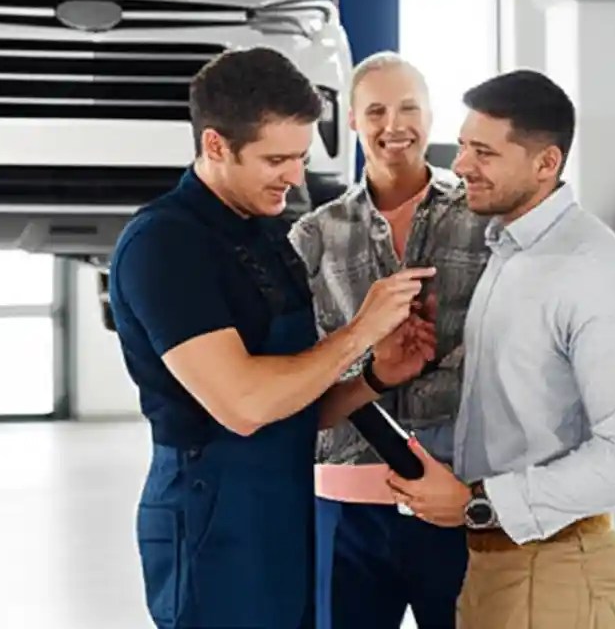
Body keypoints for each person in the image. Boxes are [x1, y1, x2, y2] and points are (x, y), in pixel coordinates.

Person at [106, 46, 437, 629]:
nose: (295, 175)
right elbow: (245, 404)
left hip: (285, 511)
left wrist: (377, 376)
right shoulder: (165, 245)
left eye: (302, 157)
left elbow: (297, 404)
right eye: (276, 158)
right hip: (210, 515)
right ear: (215, 145)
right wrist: (362, 329)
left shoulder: (267, 234)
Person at [387, 69, 615, 629]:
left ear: (546, 164)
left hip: (556, 571)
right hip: (494, 563)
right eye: (464, 146)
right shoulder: (511, 251)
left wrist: (478, 502)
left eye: (484, 152)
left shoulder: (592, 270)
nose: (461, 165)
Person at [287, 52, 491, 629]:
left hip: (453, 494)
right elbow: (301, 366)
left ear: (431, 116)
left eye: (408, 108)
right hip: (346, 503)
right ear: (351, 120)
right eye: (375, 110)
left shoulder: (483, 221)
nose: (392, 125)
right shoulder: (313, 235)